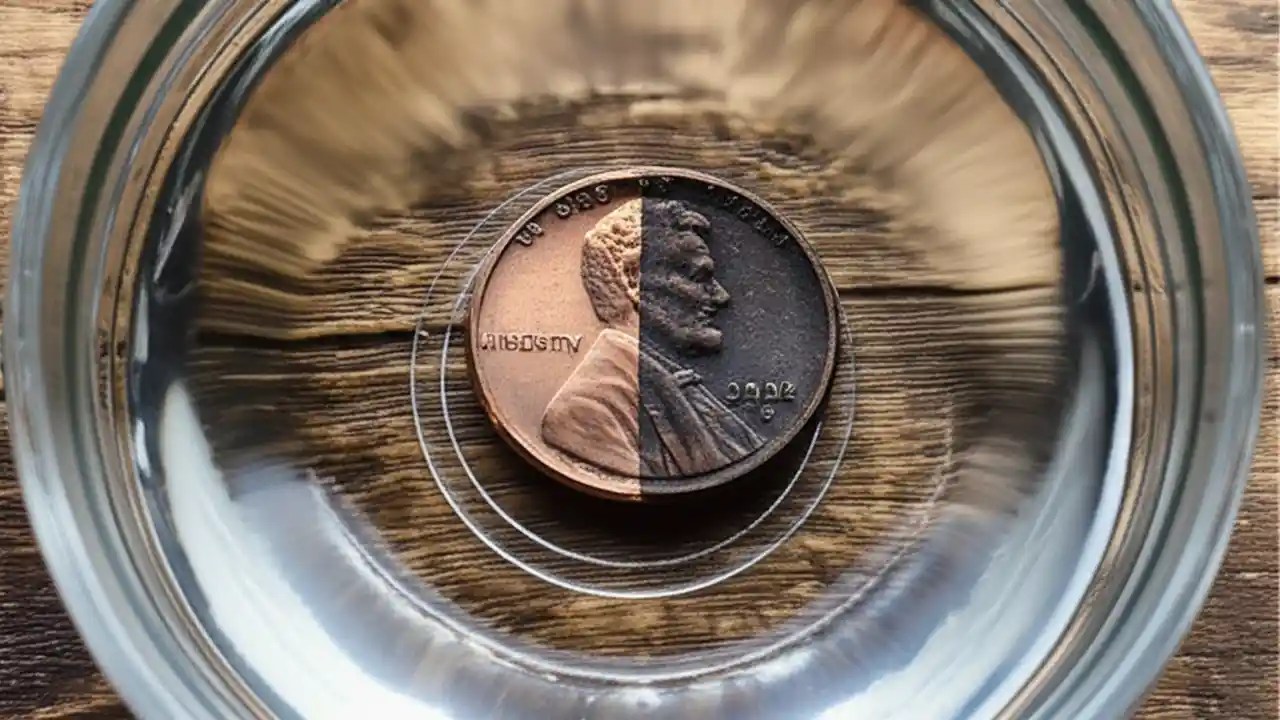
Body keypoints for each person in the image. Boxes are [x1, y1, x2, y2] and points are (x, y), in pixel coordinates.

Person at [541, 197, 764, 478]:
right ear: (633, 279)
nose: (721, 296)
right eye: (699, 276)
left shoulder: (677, 385)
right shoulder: (583, 413)